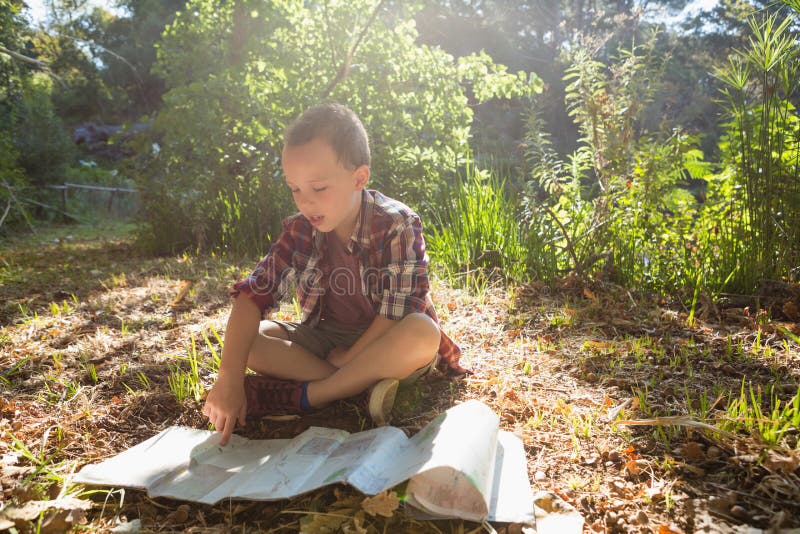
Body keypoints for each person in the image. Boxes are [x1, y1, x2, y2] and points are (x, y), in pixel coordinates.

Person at [202, 103, 465, 446]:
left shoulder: (397, 223)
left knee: (423, 332)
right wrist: (229, 379)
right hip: (326, 340)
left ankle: (312, 395)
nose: (306, 203)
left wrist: (351, 357)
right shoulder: (299, 230)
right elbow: (253, 296)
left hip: (388, 340)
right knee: (250, 339)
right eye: (295, 189)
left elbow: (398, 311)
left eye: (319, 188)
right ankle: (360, 389)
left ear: (359, 178)